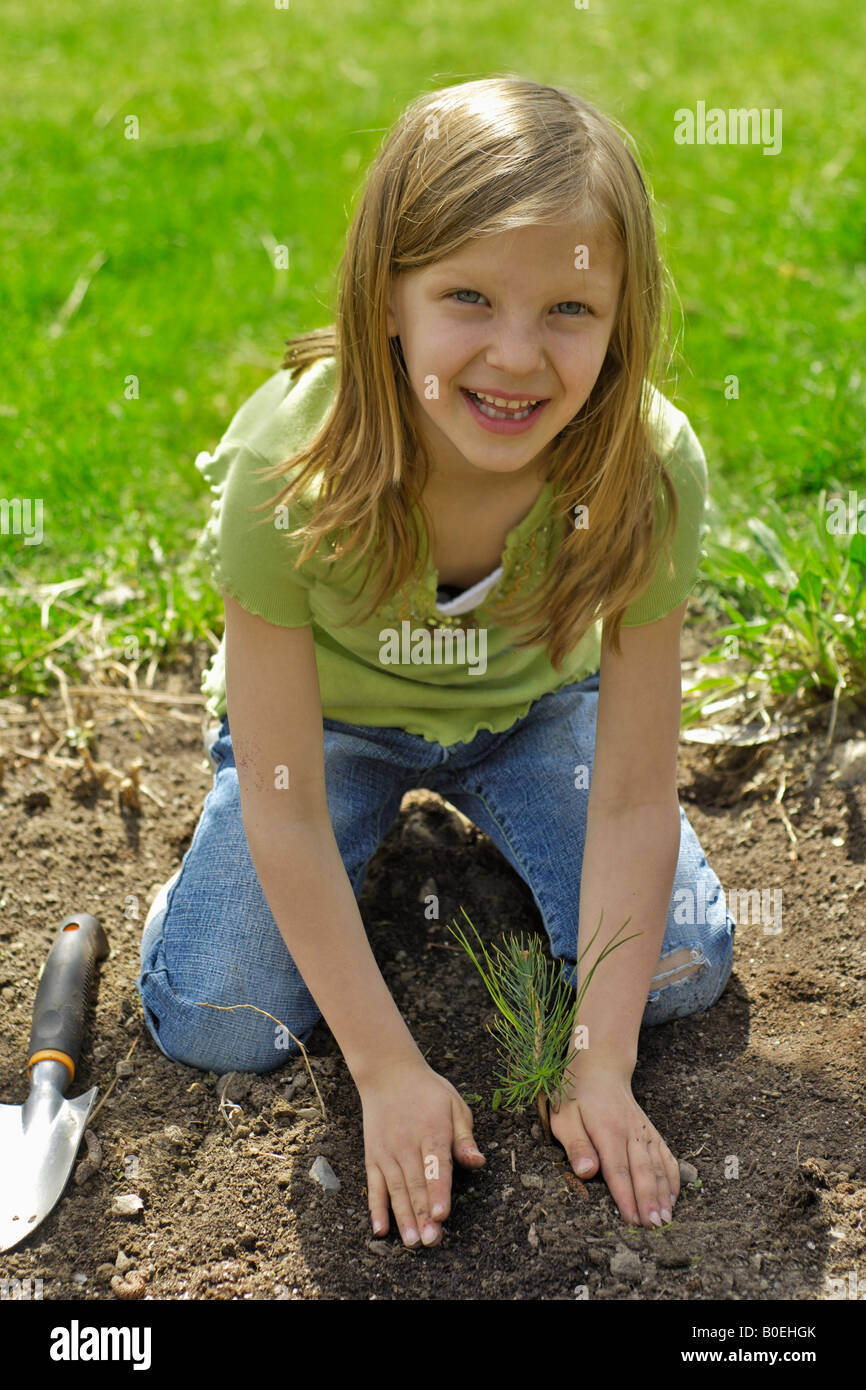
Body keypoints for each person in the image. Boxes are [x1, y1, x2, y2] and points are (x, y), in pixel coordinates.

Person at [136, 75, 735, 1251]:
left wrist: (597, 1065)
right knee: (213, 1014)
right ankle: (223, 883)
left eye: (569, 309)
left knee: (676, 972)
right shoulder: (286, 460)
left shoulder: (646, 465)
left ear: (622, 320)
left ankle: (483, 845)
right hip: (326, 738)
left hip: (533, 719)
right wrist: (387, 1068)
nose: (515, 357)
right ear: (387, 299)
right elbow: (285, 798)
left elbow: (627, 791)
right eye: (467, 295)